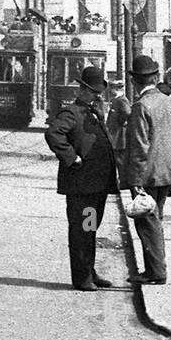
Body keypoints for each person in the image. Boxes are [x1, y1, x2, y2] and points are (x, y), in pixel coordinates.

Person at [44, 65, 117, 291]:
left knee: (90, 229)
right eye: (93, 92)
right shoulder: (71, 112)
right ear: (82, 89)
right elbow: (53, 134)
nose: (97, 96)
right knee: (81, 232)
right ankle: (82, 277)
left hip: (96, 185)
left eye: (99, 92)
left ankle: (90, 271)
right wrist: (72, 157)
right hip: (81, 186)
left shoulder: (94, 111)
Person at [123, 55, 171, 285]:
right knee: (156, 219)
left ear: (135, 81)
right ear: (155, 78)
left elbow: (139, 145)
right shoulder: (170, 102)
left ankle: (156, 271)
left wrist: (134, 179)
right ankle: (152, 269)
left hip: (147, 173)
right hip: (167, 170)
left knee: (147, 224)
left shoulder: (141, 106)